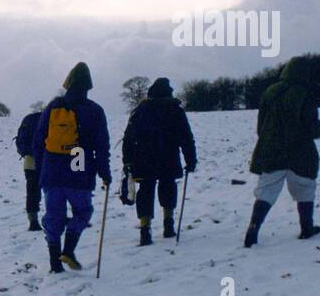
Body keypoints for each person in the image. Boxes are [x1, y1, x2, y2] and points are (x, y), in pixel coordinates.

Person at [33, 62, 111, 273]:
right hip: (79, 164)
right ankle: (68, 249)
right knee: (83, 211)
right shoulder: (94, 111)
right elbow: (101, 146)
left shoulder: (52, 107)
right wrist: (105, 172)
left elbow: (39, 139)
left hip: (52, 168)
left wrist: (41, 170)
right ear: (88, 86)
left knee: (53, 215)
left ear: (67, 84)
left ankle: (54, 262)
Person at [245, 58, 320, 247]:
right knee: (305, 187)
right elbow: (310, 126)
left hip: (271, 149)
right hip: (300, 150)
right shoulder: (304, 94)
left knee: (266, 190)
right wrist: (319, 130)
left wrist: (268, 139)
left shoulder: (270, 91)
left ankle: (253, 228)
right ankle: (307, 228)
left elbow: (261, 124)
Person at [121, 77, 197, 245]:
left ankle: (145, 230)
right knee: (168, 188)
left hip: (144, 159)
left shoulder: (141, 110)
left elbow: (128, 137)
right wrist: (191, 159)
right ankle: (168, 225)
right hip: (168, 158)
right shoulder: (175, 110)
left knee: (146, 191)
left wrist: (127, 160)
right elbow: (186, 137)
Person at [14, 110, 43, 231]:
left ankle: (33, 220)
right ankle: (59, 217)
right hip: (49, 160)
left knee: (32, 191)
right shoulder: (52, 119)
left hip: (29, 160)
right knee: (55, 191)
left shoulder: (29, 120)